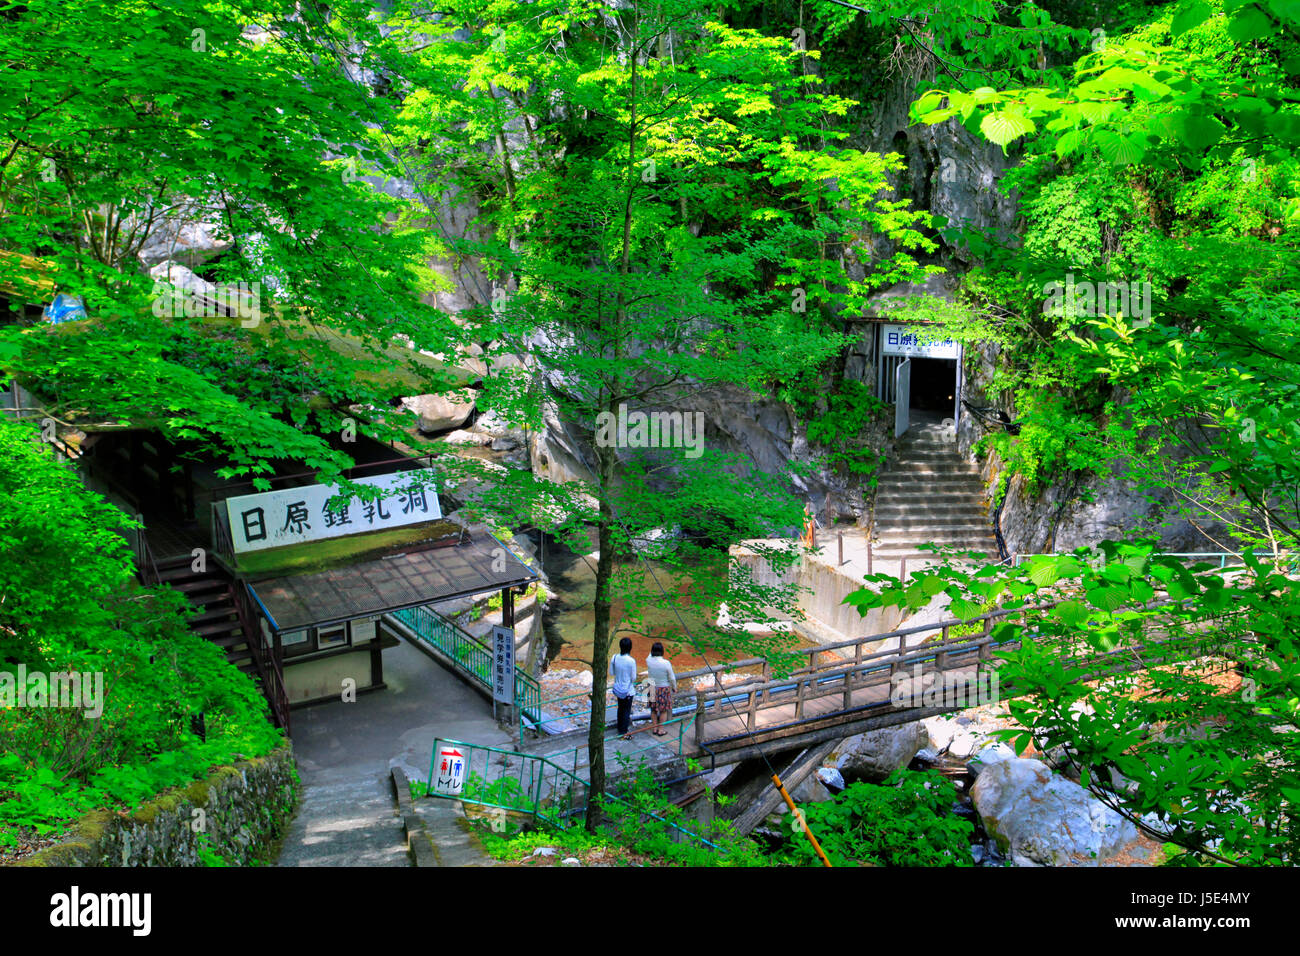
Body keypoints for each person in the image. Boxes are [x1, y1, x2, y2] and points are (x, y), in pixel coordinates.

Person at [645, 641, 677, 737]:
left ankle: (654, 728)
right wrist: (674, 687)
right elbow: (672, 678)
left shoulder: (649, 661)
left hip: (652, 687)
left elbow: (649, 655)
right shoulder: (666, 663)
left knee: (653, 709)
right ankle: (661, 729)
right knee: (663, 710)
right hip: (663, 688)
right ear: (662, 651)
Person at [609, 636, 637, 739]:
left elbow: (611, 672)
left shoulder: (614, 657)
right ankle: (623, 732)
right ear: (630, 647)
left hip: (618, 688)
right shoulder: (631, 661)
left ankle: (620, 728)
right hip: (627, 690)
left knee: (620, 709)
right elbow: (633, 678)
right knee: (626, 711)